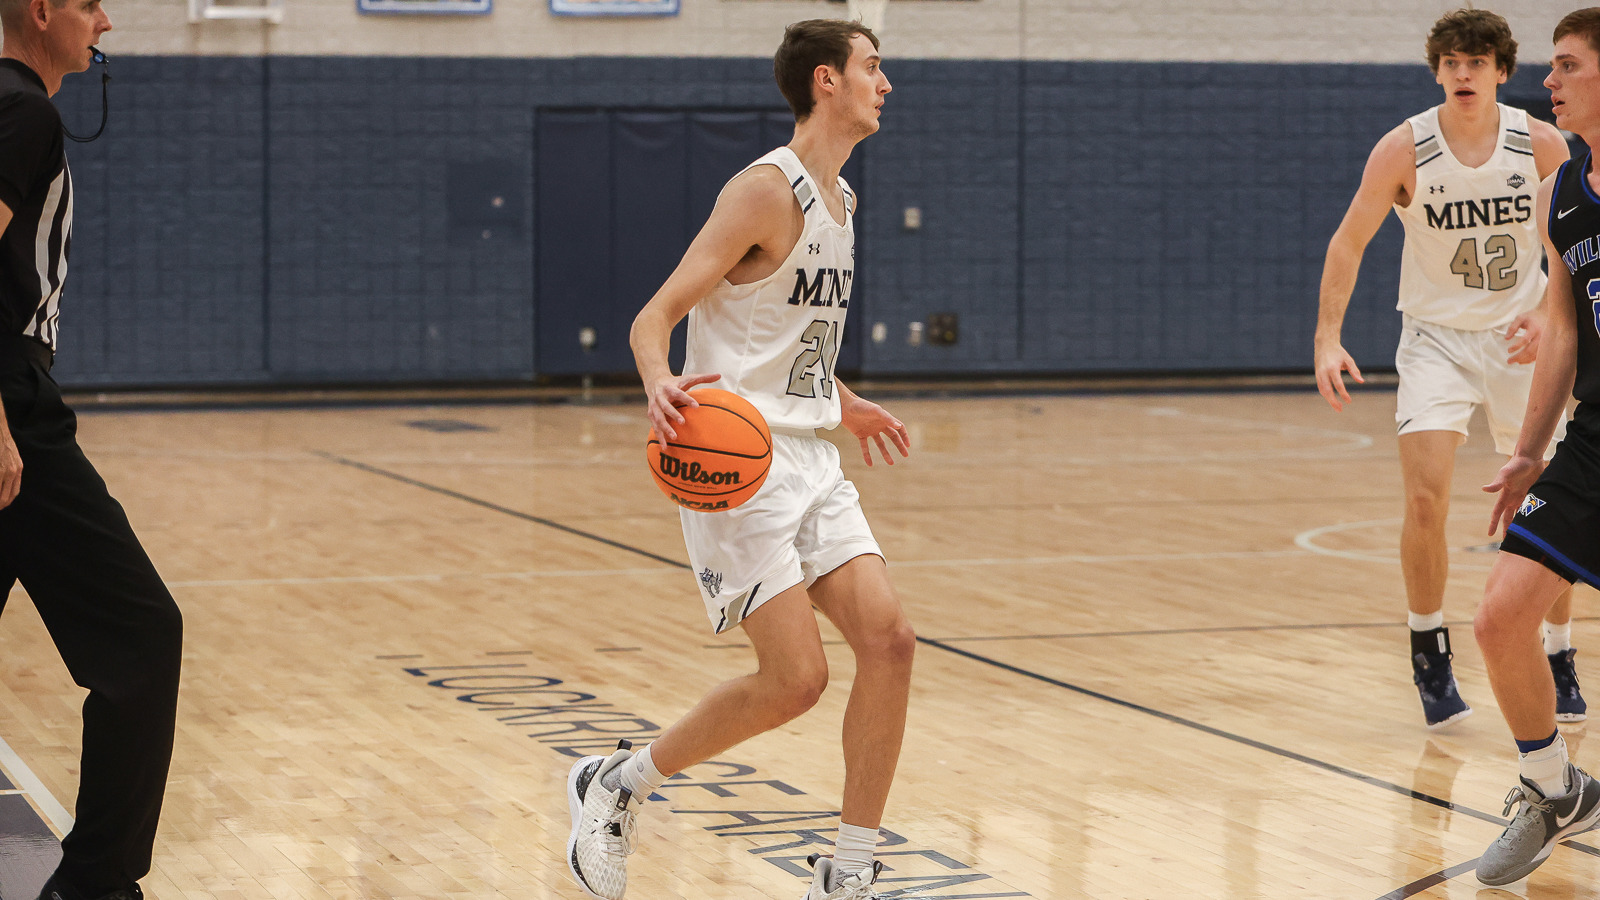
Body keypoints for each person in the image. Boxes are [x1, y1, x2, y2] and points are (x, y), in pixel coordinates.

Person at [565, 19, 914, 900]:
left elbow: (785, 341)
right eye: (873, 67)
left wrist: (840, 399)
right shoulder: (765, 191)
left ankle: (848, 872)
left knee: (891, 642)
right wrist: (658, 380)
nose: (886, 83)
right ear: (827, 81)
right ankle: (616, 784)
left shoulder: (843, 201)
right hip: (737, 467)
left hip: (809, 453)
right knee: (797, 681)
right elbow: (654, 316)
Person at [1313, 7, 1583, 729]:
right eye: (1451, 63)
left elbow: (1573, 240)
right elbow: (1348, 240)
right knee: (1427, 499)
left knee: (1547, 502)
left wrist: (1549, 315)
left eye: (1477, 62)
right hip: (1435, 340)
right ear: (1437, 71)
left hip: (1521, 340)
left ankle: (1558, 650)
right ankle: (1428, 645)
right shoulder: (1405, 148)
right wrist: (1328, 337)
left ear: (1501, 71)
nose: (1463, 74)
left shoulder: (1541, 143)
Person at [0, 1, 183, 898]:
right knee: (142, 636)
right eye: (88, 4)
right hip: (13, 408)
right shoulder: (21, 110)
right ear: (41, 12)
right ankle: (98, 883)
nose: (104, 22)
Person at [1472, 8, 1600, 885]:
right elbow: (1561, 329)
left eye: (1567, 65)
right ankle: (1554, 789)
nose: (1547, 82)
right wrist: (1527, 451)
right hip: (1594, 439)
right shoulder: (1564, 192)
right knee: (1498, 619)